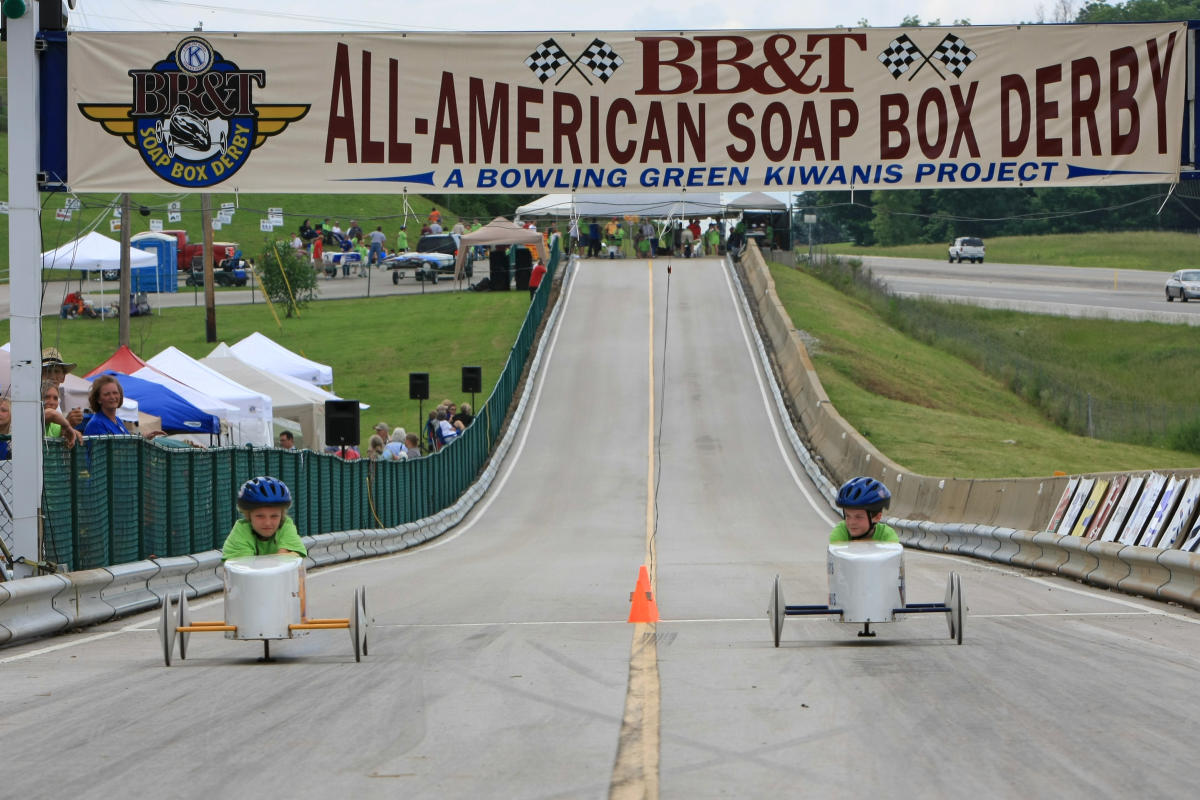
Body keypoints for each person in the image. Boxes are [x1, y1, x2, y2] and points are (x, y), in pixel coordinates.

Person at [221, 476, 308, 560]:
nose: (267, 523)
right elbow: (245, 568)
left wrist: (284, 556)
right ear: (248, 515)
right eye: (260, 516)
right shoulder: (241, 530)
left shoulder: (285, 525)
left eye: (274, 516)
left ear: (282, 515)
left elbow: (290, 557)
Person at [83, 375, 166, 439]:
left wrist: (143, 437)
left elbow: (127, 443)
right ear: (98, 399)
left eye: (115, 393)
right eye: (107, 394)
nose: (112, 397)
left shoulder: (117, 421)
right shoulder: (97, 424)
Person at [829, 477, 900, 543]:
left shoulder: (887, 535)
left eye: (858, 517)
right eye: (847, 516)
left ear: (877, 517)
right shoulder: (841, 531)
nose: (851, 522)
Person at [42, 381, 83, 448]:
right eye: (47, 397)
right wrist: (68, 426)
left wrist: (72, 432)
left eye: (55, 398)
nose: (52, 402)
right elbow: (51, 414)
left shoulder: (53, 424)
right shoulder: (35, 418)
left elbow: (62, 431)